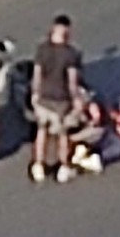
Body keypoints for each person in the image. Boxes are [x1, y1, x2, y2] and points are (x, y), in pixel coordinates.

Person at [30, 14, 84, 183]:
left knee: (41, 132)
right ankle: (63, 167)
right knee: (63, 134)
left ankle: (38, 165)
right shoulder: (71, 53)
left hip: (43, 97)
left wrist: (35, 93)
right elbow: (72, 80)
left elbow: (37, 74)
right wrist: (76, 99)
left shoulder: (42, 49)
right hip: (61, 99)